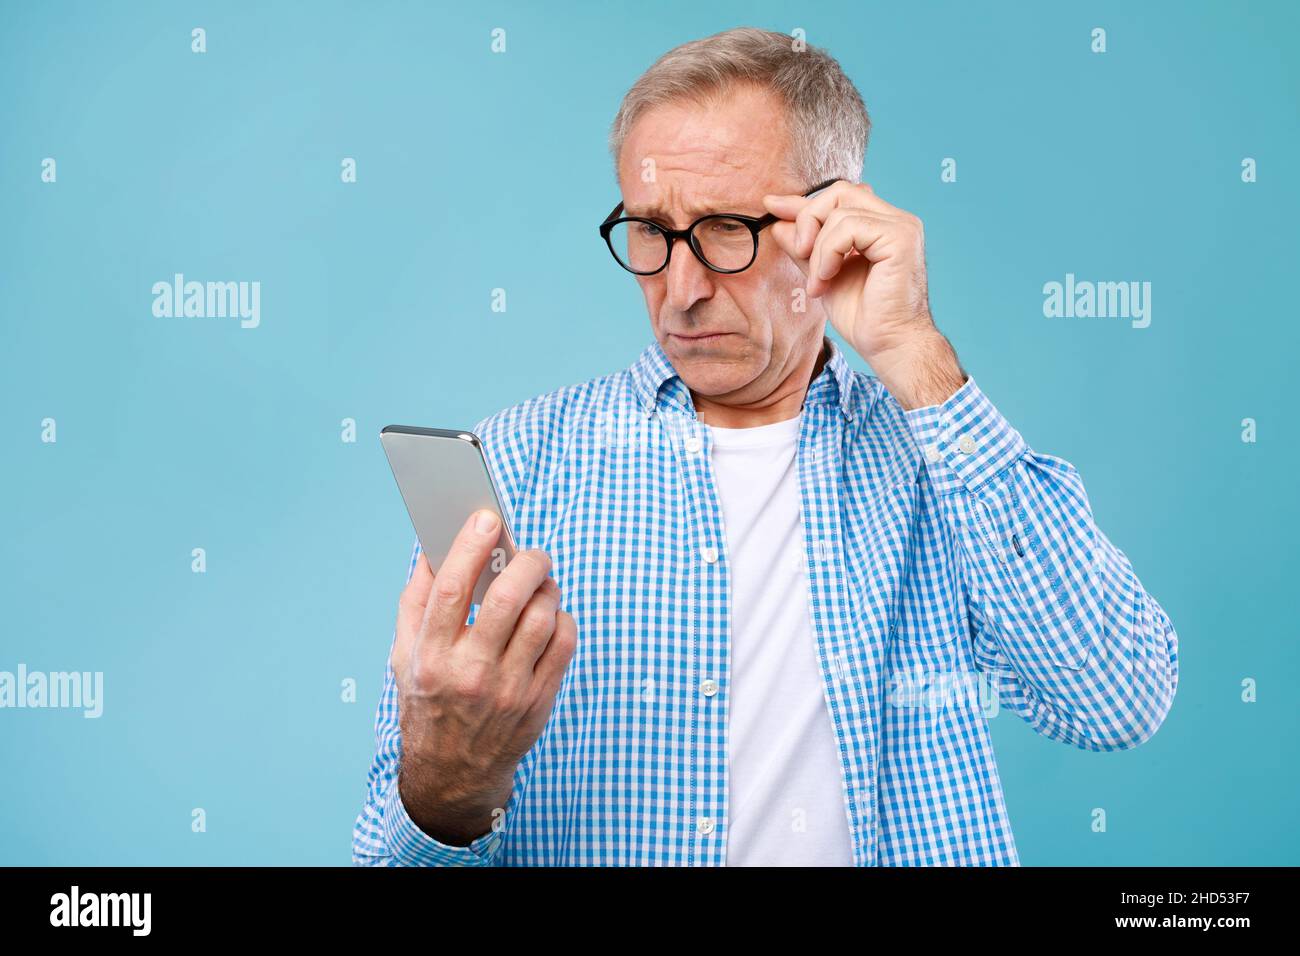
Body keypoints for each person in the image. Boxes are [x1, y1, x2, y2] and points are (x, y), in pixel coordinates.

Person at [353, 27, 1178, 866]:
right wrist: (447, 787)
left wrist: (919, 360)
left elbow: (1117, 699)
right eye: (649, 230)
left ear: (833, 221)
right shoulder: (516, 468)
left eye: (723, 229)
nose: (681, 290)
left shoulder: (947, 463)